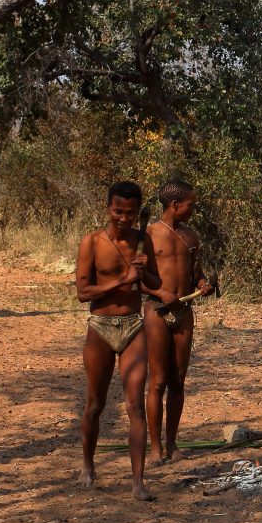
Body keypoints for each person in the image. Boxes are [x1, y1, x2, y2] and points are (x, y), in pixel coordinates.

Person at [75, 181, 175, 500]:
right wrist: (123, 280)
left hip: (133, 325)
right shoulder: (91, 242)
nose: (124, 218)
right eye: (118, 211)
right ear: (108, 208)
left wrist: (144, 275)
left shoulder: (141, 240)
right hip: (100, 325)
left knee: (135, 406)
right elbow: (82, 293)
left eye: (130, 213)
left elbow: (154, 283)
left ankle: (137, 483)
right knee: (95, 405)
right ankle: (88, 466)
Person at [144, 179, 216, 465]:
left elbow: (196, 273)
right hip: (157, 312)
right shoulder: (148, 236)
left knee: (178, 381)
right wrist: (159, 292)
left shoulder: (191, 236)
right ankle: (154, 448)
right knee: (158, 381)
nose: (193, 210)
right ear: (175, 205)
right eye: (190, 205)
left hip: (184, 312)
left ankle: (172, 444)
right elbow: (137, 280)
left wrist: (203, 283)